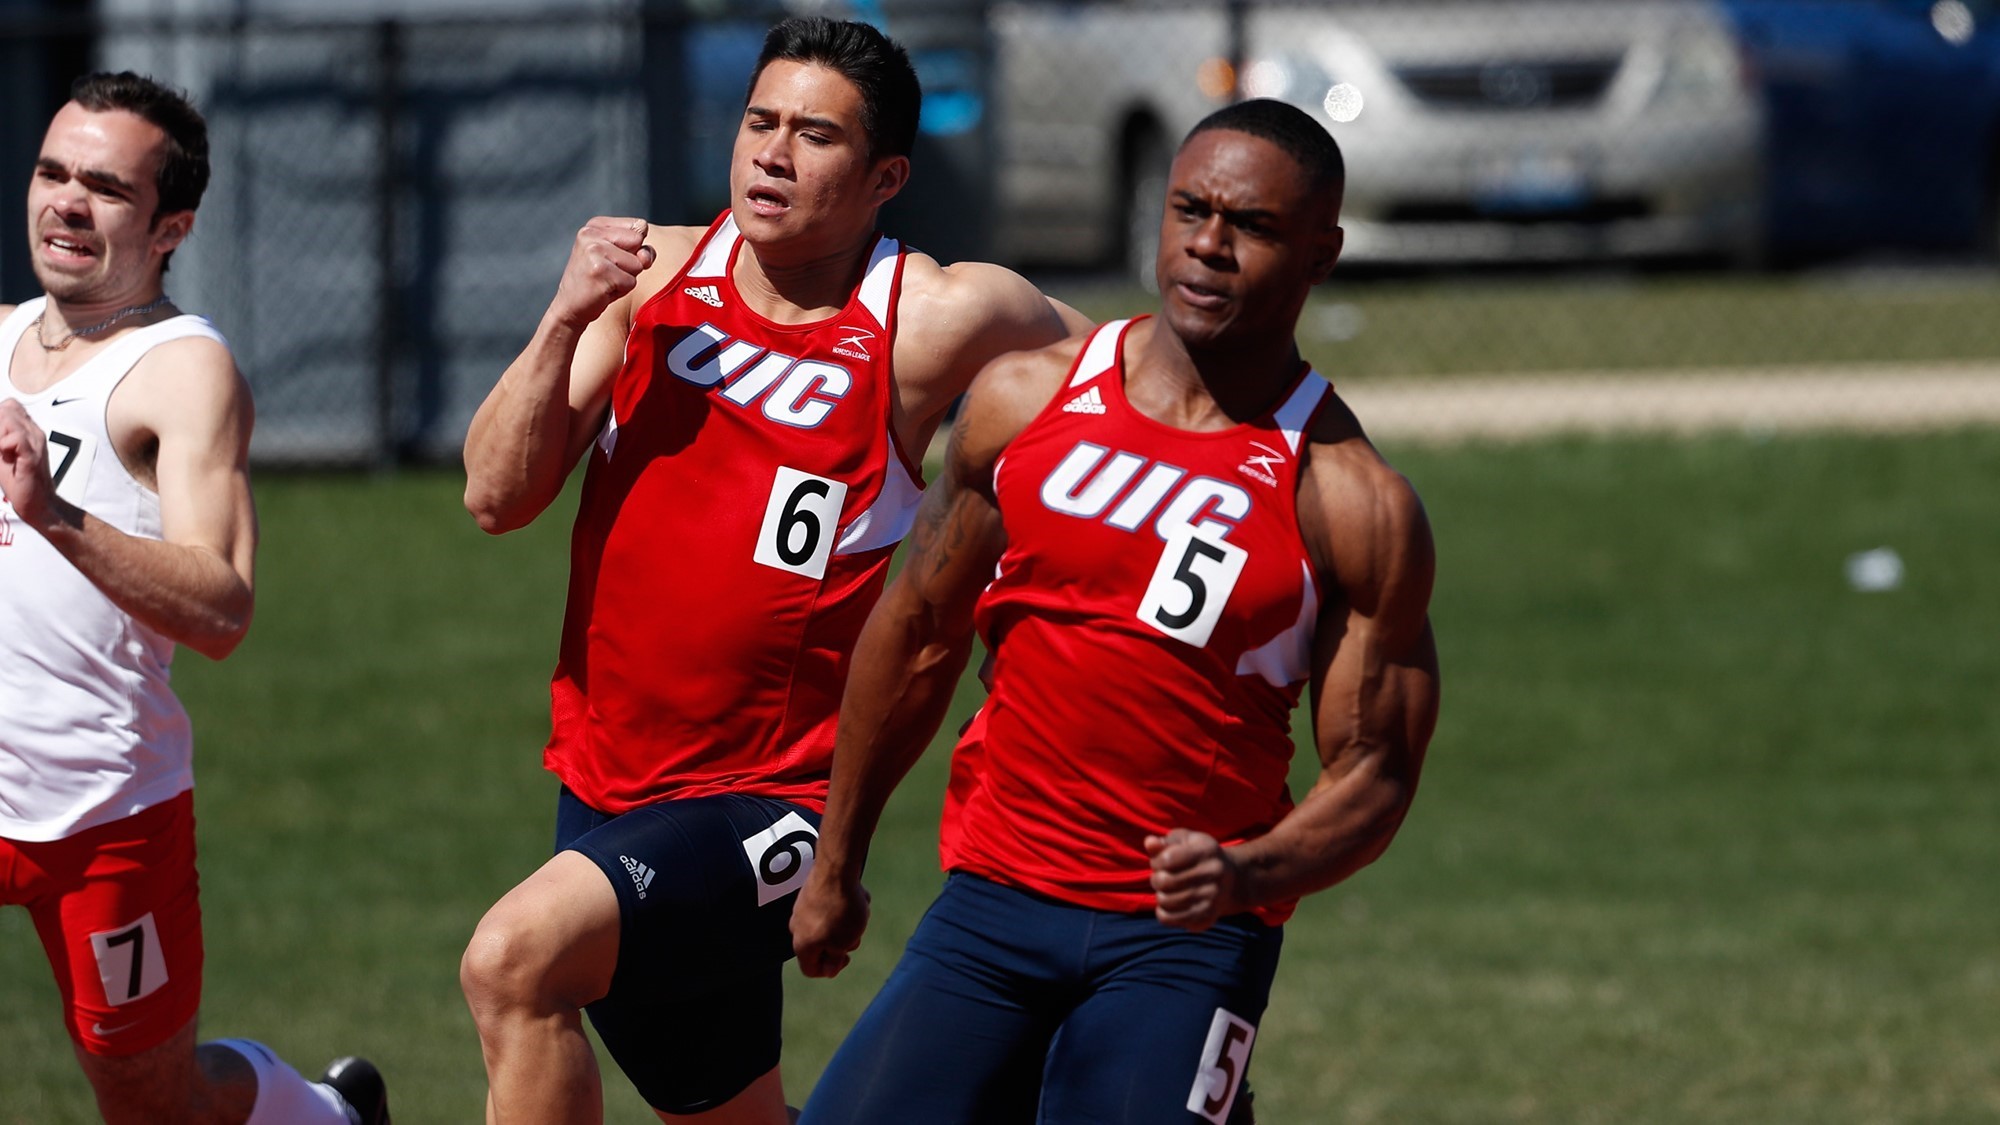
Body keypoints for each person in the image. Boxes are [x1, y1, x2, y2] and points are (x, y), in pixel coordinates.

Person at [456, 16, 1088, 1124]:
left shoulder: (929, 319)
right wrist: (563, 316)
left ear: (886, 173)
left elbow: (1137, 388)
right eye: (758, 122)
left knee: (514, 961)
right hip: (605, 783)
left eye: (814, 135)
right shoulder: (645, 278)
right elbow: (497, 497)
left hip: (776, 805)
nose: (771, 154)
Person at [789, 97, 1441, 1123]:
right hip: (992, 906)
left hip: (1184, 943)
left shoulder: (1348, 501)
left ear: (1321, 253)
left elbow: (1374, 771)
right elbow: (916, 631)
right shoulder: (1020, 404)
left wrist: (1242, 872)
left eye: (1252, 226)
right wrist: (836, 861)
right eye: (1189, 211)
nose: (1208, 247)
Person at [0, 73, 388, 1125]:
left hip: (102, 811)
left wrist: (56, 514)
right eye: (51, 172)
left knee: (152, 1103)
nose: (66, 203)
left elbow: (221, 609)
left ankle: (320, 1113)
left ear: (169, 226)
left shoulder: (181, 371)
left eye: (105, 188)